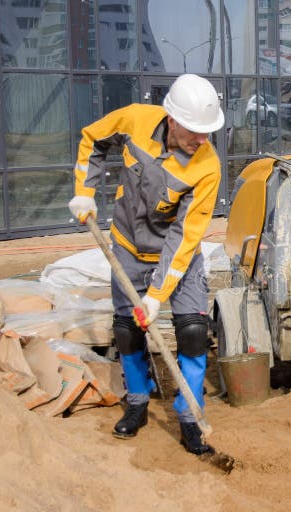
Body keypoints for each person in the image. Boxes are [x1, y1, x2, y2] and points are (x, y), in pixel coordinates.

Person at [68, 73, 224, 455]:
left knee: (191, 331)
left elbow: (185, 237)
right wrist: (84, 193)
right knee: (127, 331)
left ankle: (190, 416)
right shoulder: (136, 118)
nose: (202, 139)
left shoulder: (208, 167)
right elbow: (93, 139)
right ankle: (137, 402)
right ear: (171, 119)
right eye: (194, 130)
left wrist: (157, 295)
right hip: (126, 246)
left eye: (208, 131)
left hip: (177, 257)